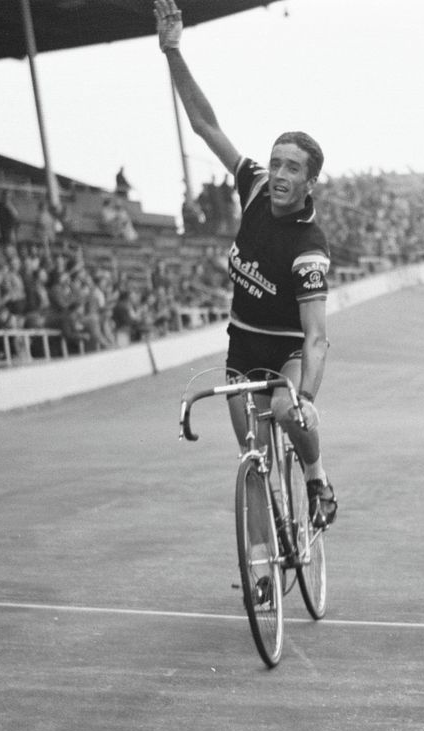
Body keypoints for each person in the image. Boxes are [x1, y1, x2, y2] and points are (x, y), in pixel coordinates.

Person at [156, 0, 336, 527]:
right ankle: (264, 559)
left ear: (309, 181)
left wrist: (304, 397)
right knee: (252, 462)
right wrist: (173, 53)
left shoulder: (309, 246)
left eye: (292, 168)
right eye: (276, 161)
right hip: (243, 345)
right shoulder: (255, 188)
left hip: (289, 353)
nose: (278, 173)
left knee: (283, 412)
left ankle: (317, 477)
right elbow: (204, 124)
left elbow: (317, 337)